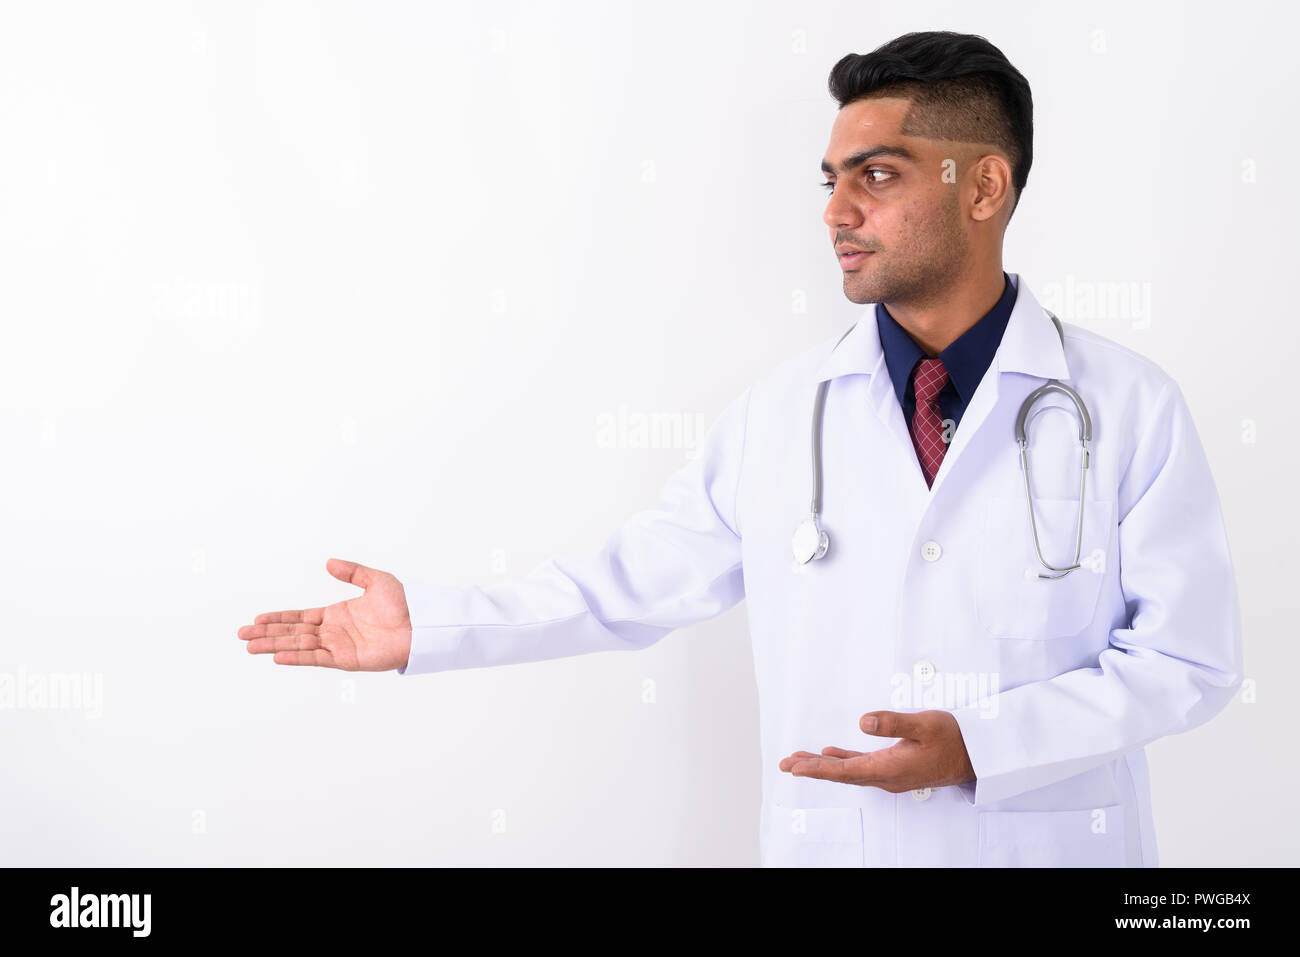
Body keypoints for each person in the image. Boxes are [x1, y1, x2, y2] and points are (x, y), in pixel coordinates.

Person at [237, 31, 1243, 867]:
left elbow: (1188, 661)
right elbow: (628, 585)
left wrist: (978, 746)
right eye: (830, 181)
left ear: (983, 186)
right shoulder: (781, 415)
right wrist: (434, 628)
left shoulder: (1126, 406)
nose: (834, 213)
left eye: (875, 176)